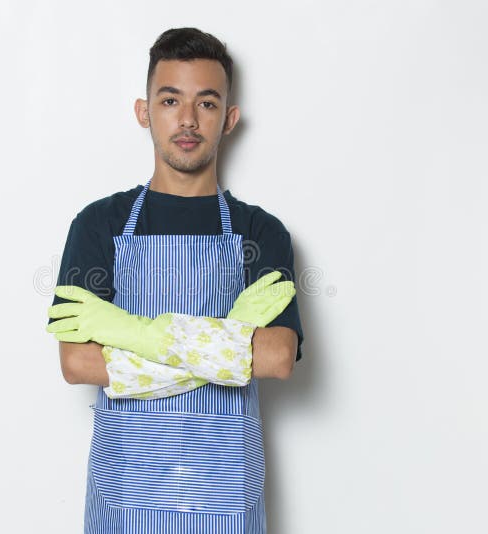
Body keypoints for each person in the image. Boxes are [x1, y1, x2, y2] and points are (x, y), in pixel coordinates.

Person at [46, 27, 304, 533]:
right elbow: (77, 362)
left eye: (206, 104)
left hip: (225, 494)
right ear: (145, 111)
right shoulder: (100, 224)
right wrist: (229, 342)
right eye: (170, 100)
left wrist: (134, 334)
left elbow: (275, 357)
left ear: (229, 119)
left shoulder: (260, 232)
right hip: (124, 494)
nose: (187, 120)